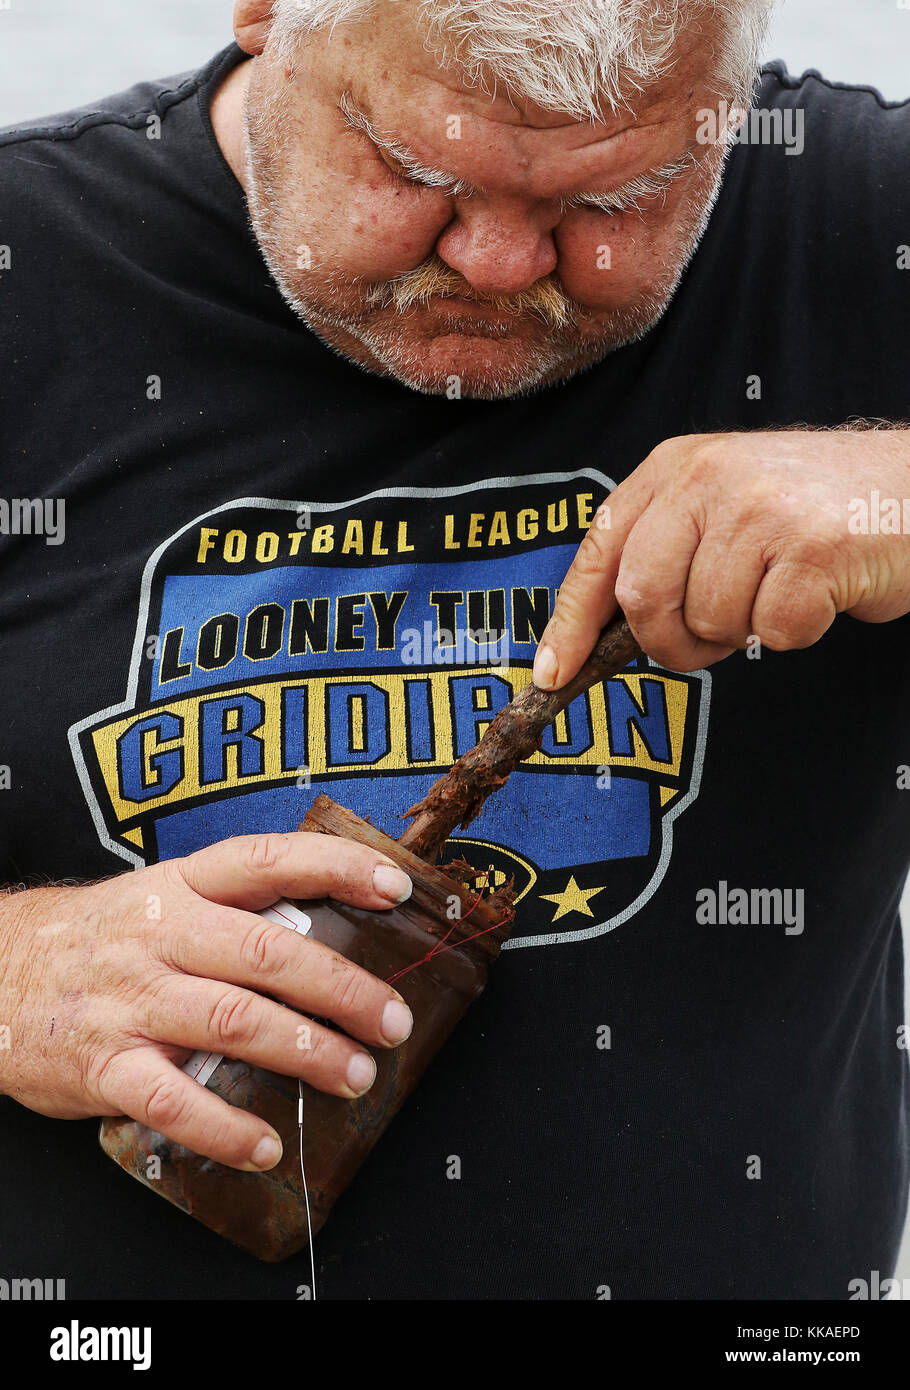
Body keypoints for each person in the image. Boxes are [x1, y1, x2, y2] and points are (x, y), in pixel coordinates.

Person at [0, 0, 908, 1300]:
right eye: (413, 171)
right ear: (264, 15)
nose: (492, 261)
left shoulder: (856, 227)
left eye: (625, 189)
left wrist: (892, 483)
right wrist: (18, 975)